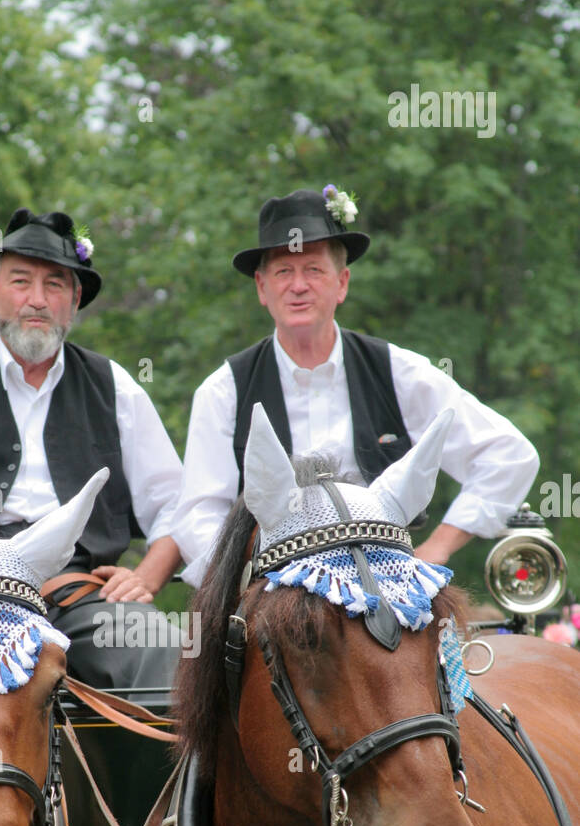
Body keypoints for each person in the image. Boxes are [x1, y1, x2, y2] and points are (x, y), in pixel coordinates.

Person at [171, 186, 539, 587]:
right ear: (262, 287)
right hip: (269, 591)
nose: (298, 285)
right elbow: (198, 515)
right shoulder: (224, 391)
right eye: (283, 272)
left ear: (342, 283)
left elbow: (508, 455)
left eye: (313, 269)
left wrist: (436, 550)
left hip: (386, 587)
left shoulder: (398, 371)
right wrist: (250, 580)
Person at [0, 206, 183, 689]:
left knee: (169, 662)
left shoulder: (116, 386)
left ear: (75, 300)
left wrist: (146, 575)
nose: (37, 300)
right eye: (21, 282)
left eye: (55, 285)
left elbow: (177, 509)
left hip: (80, 596)